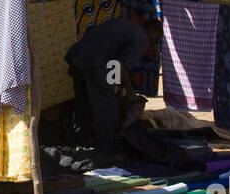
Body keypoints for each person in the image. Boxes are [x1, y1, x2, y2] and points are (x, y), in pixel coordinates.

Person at [65, 17, 163, 153]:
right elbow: (120, 65)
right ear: (154, 34)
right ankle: (106, 149)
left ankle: (78, 142)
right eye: (155, 41)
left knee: (83, 104)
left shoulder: (124, 23)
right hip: (96, 63)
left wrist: (118, 86)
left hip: (77, 57)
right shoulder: (142, 38)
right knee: (107, 108)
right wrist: (129, 91)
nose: (152, 45)